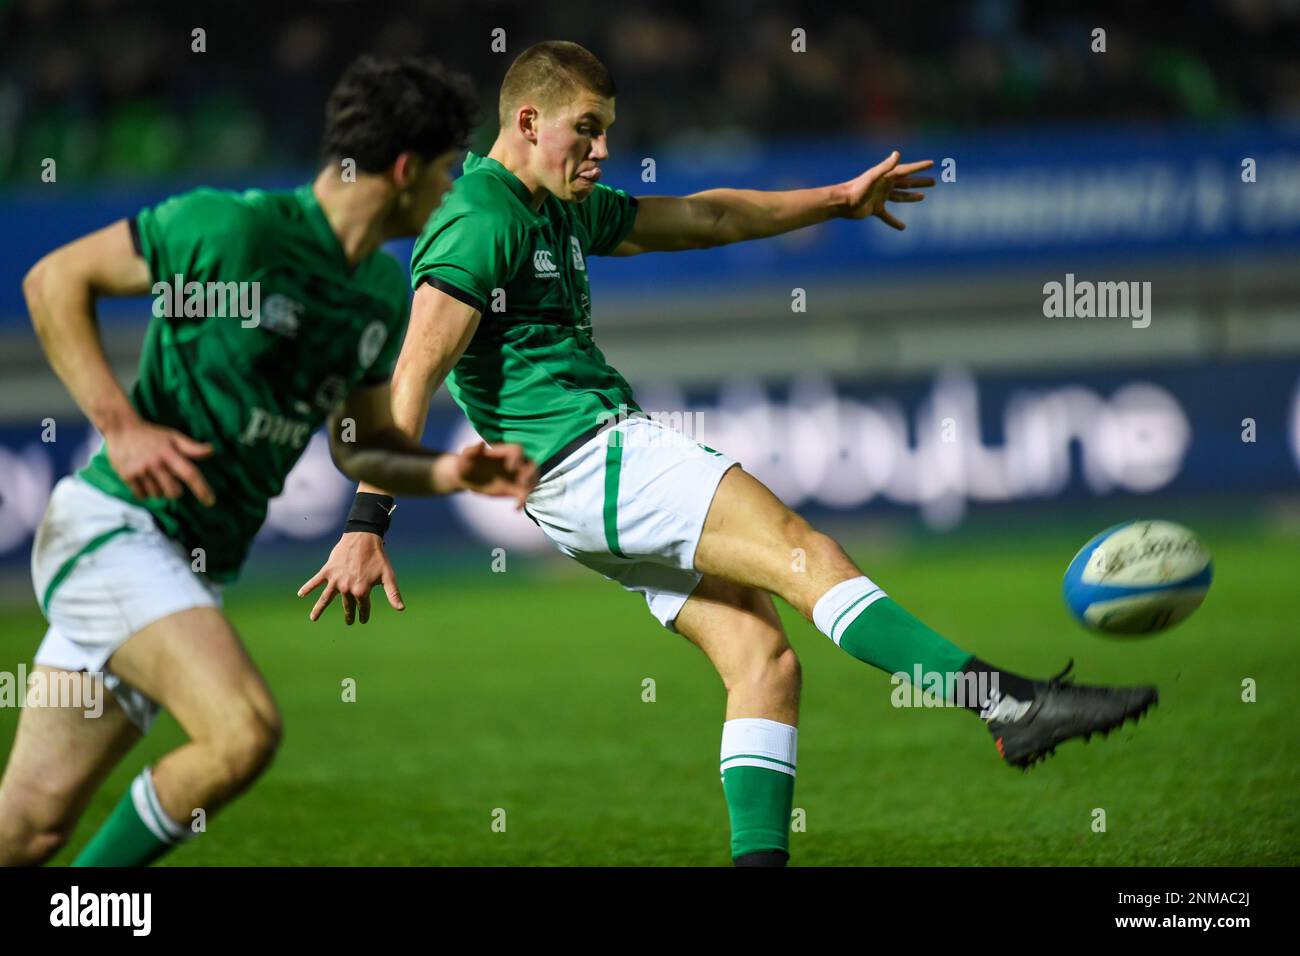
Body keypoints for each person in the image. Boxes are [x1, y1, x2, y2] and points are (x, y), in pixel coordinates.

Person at [304, 41, 1157, 867]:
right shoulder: (479, 217)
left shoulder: (552, 205)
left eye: (608, 132)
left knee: (764, 659)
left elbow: (703, 216)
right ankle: (1008, 705)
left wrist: (836, 200)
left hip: (577, 483)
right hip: (587, 456)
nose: (604, 151)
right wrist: (367, 521)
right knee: (807, 552)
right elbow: (413, 370)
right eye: (588, 130)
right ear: (528, 120)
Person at [0, 54, 536, 867]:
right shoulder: (231, 228)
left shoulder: (378, 295)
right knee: (243, 731)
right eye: (446, 172)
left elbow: (361, 445)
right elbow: (52, 281)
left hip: (178, 568)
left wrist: (449, 471)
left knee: (26, 831)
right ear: (402, 171)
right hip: (113, 534)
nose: (451, 193)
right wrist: (122, 425)